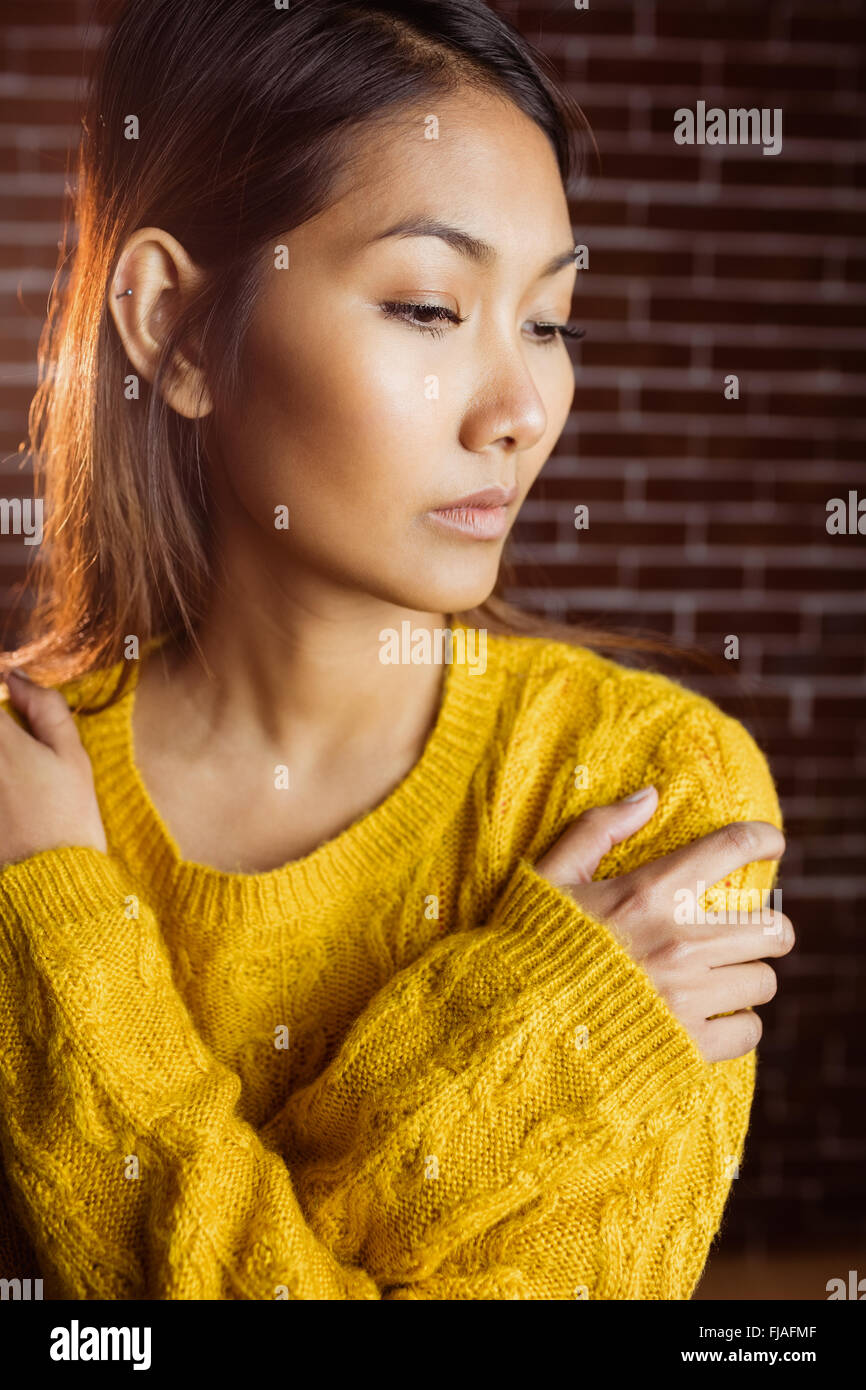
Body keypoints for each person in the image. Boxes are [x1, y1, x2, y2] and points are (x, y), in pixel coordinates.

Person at [0, 0, 793, 1300]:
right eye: (430, 309)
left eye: (549, 321)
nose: (523, 411)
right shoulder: (20, 804)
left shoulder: (646, 791)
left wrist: (60, 958)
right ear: (174, 327)